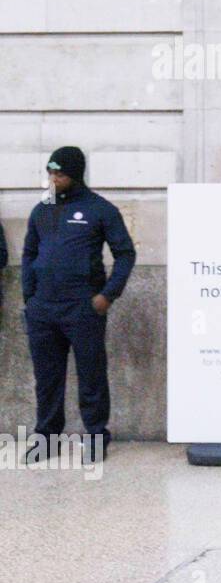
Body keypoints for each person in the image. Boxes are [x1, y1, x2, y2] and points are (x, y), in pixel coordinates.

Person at [21, 147, 136, 463]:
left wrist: (107, 295)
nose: (53, 179)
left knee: (91, 376)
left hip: (83, 307)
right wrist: (29, 297)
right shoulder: (41, 210)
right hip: (43, 309)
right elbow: (29, 253)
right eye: (51, 173)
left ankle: (97, 438)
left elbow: (125, 254)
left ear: (75, 174)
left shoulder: (100, 210)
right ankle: (46, 439)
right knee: (47, 380)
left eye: (60, 174)